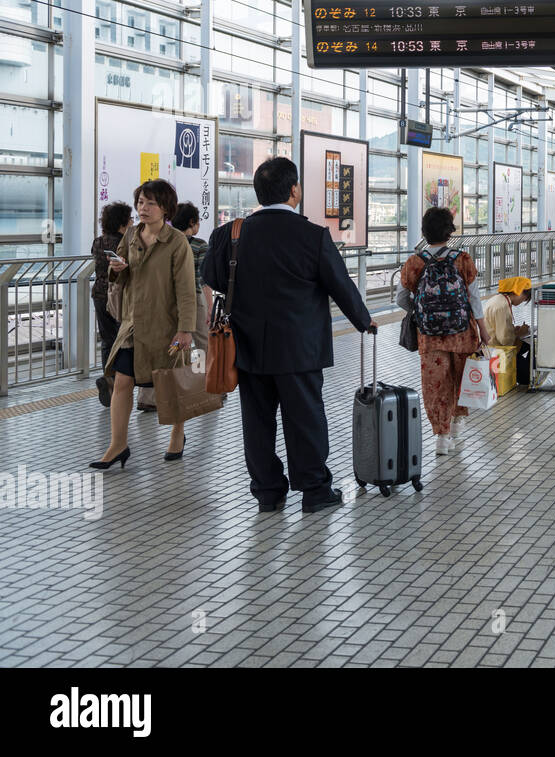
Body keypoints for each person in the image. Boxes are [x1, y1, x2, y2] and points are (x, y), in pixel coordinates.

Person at [203, 157, 375, 514]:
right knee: (305, 418)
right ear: (294, 190)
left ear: (258, 192)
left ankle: (268, 492)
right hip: (299, 348)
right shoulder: (312, 236)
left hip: (248, 347)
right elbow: (341, 286)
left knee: (256, 422)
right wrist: (364, 321)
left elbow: (215, 279)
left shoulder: (229, 235)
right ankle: (314, 491)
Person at [91, 180, 195, 470]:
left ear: (165, 208)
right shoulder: (132, 237)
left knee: (171, 383)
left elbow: (186, 289)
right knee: (123, 381)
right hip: (133, 325)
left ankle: (177, 433)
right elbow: (123, 277)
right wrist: (118, 270)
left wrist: (185, 329)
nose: (143, 208)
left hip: (166, 326)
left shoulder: (176, 243)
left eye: (150, 203)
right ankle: (118, 445)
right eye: (140, 203)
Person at [401, 206, 491, 456]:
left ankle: (441, 438)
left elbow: (400, 298)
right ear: (449, 232)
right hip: (462, 334)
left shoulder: (414, 262)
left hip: (430, 337)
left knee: (436, 385)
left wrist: (418, 311)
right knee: (461, 379)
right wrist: (484, 330)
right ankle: (457, 427)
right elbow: (474, 299)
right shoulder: (462, 259)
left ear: (424, 231)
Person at [91, 200, 132, 408]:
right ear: (122, 223)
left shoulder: (98, 242)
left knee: (107, 339)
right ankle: (118, 380)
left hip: (99, 294)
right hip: (118, 295)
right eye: (130, 218)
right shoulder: (126, 242)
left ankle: (108, 377)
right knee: (122, 339)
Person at [172, 202, 212, 361]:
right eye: (197, 222)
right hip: (195, 299)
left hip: (173, 298)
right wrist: (210, 306)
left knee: (178, 341)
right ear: (191, 222)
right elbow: (203, 278)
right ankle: (205, 376)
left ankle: (180, 375)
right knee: (203, 341)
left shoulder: (169, 244)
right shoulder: (199, 244)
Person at [485, 276, 533, 388]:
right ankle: (525, 379)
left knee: (525, 346)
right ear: (518, 291)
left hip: (490, 344)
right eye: (524, 298)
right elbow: (505, 340)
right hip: (495, 348)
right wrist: (520, 333)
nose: (523, 302)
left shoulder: (498, 300)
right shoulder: (502, 306)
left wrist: (513, 330)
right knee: (529, 348)